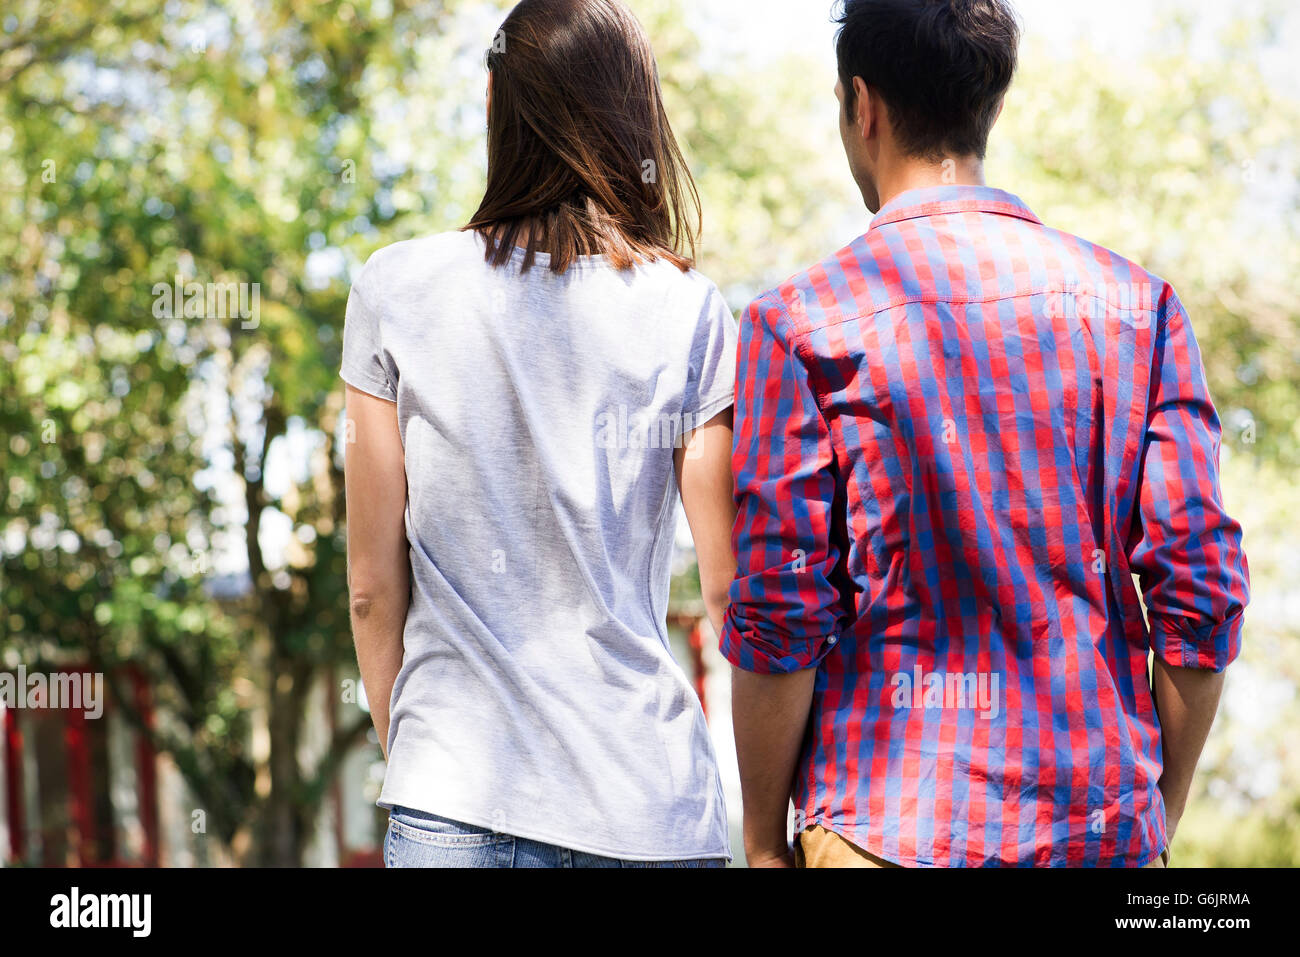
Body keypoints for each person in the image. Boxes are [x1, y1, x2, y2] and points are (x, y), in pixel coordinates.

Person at [724, 0, 1250, 868]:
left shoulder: (799, 324)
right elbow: (1198, 592)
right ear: (991, 107)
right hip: (1100, 830)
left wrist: (763, 841)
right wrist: (1157, 810)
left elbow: (782, 603)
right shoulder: (1139, 311)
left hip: (880, 829)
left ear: (863, 106)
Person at [341, 0, 737, 868]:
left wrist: (415, 753)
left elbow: (372, 585)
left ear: (492, 105)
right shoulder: (689, 310)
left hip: (454, 799)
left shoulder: (395, 291)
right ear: (635, 117)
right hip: (649, 809)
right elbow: (726, 590)